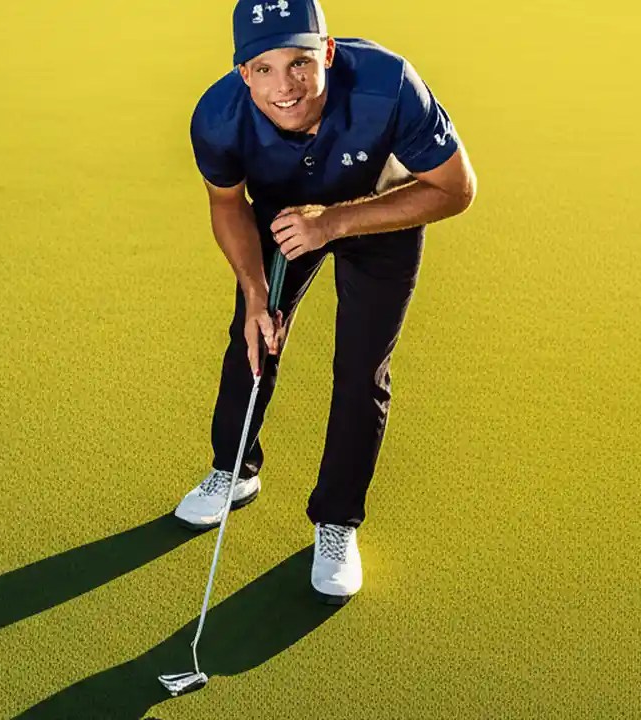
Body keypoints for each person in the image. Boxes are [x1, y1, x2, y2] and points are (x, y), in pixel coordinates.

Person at [172, 0, 477, 603]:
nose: (284, 86)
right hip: (284, 219)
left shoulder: (390, 85)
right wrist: (258, 294)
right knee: (252, 335)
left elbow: (457, 188)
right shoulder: (217, 117)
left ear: (328, 53)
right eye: (263, 69)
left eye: (299, 63)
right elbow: (227, 205)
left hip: (380, 218)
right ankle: (232, 470)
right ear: (242, 74)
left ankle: (336, 521)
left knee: (361, 370)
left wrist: (335, 222)